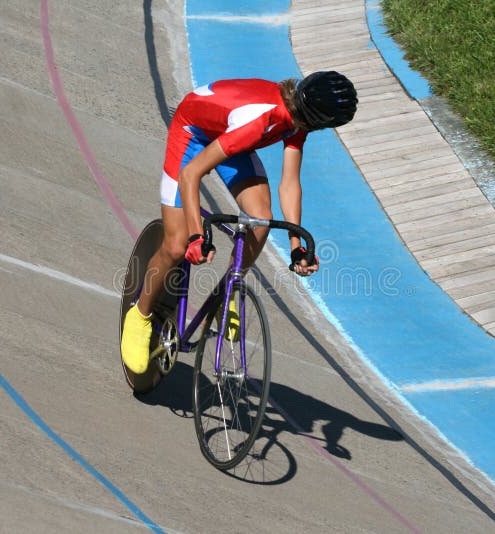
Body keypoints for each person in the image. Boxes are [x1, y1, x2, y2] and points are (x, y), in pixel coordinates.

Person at [121, 71, 357, 374]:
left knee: (261, 220)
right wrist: (196, 236)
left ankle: (227, 293)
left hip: (230, 137)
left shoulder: (298, 116)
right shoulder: (262, 120)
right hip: (192, 133)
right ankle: (139, 315)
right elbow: (190, 174)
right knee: (177, 244)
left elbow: (289, 183)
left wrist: (296, 246)